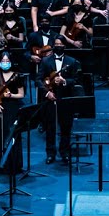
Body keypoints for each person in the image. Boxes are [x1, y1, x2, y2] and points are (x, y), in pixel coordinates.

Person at [37, 35, 80, 163]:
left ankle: (64, 152)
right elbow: (38, 80)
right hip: (50, 98)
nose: (58, 46)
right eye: (56, 44)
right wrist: (47, 93)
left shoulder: (72, 61)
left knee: (66, 126)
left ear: (65, 46)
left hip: (65, 98)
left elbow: (76, 80)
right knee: (50, 126)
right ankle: (50, 153)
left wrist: (64, 81)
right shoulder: (45, 61)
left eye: (61, 44)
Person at [0, 51, 26, 173]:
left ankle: (14, 165)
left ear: (11, 62)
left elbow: (21, 94)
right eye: (3, 61)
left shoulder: (17, 76)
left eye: (7, 61)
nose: (5, 63)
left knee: (12, 134)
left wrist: (11, 95)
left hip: (12, 107)